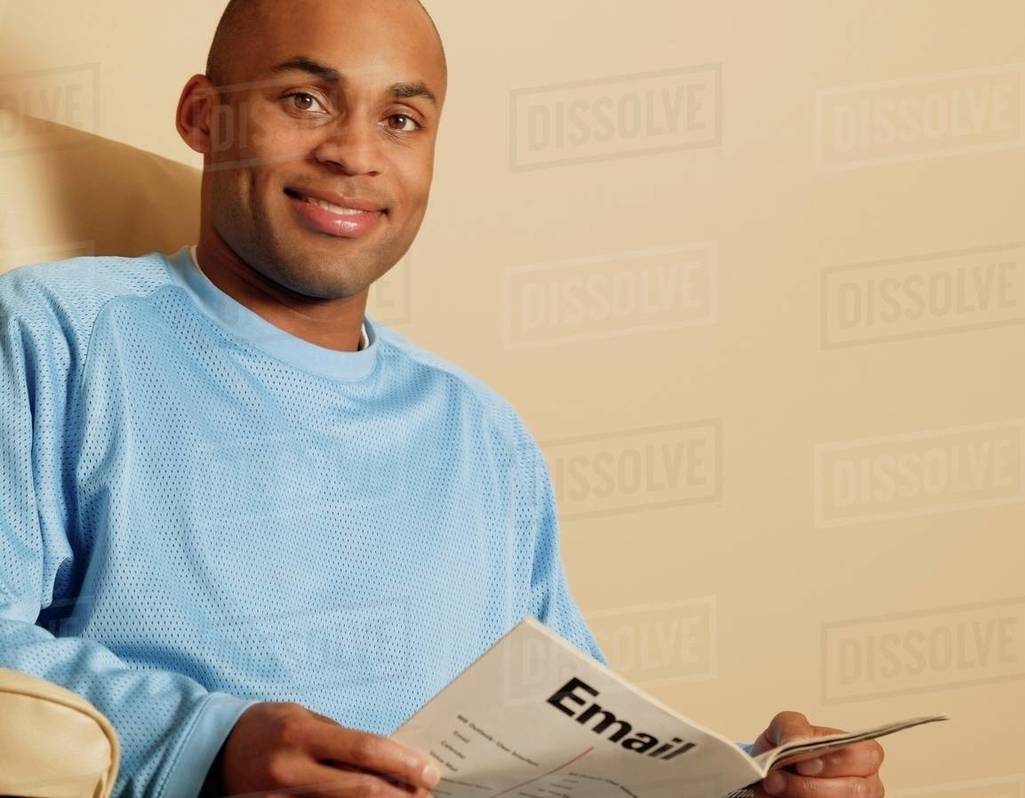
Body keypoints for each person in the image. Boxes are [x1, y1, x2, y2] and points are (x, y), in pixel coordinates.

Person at [0, 1, 885, 796]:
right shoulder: (57, 336)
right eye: (304, 100)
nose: (354, 154)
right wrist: (210, 747)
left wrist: (748, 785)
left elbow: (571, 751)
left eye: (400, 119)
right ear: (204, 115)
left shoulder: (481, 432)